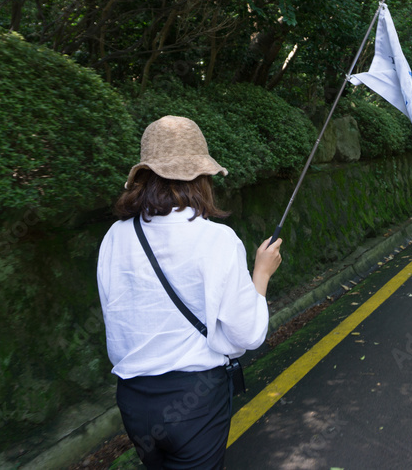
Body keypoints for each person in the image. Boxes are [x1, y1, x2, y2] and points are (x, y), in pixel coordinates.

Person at [97, 115, 282, 469]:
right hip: (195, 399)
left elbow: (116, 315)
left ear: (144, 177)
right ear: (201, 178)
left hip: (134, 401)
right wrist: (261, 273)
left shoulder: (115, 237)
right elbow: (248, 333)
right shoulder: (217, 239)